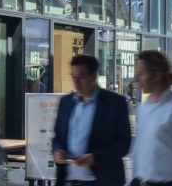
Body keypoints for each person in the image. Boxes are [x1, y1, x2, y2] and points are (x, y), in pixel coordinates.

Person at [51, 54, 130, 186]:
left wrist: (95, 158)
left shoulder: (114, 103)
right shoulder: (65, 102)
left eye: (81, 77)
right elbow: (58, 137)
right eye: (73, 77)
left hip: (103, 180)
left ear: (93, 76)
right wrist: (57, 151)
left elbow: (123, 144)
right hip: (69, 179)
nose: (76, 83)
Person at [130, 50, 172, 186]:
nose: (136, 79)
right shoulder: (143, 108)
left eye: (141, 74)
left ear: (157, 75)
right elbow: (139, 148)